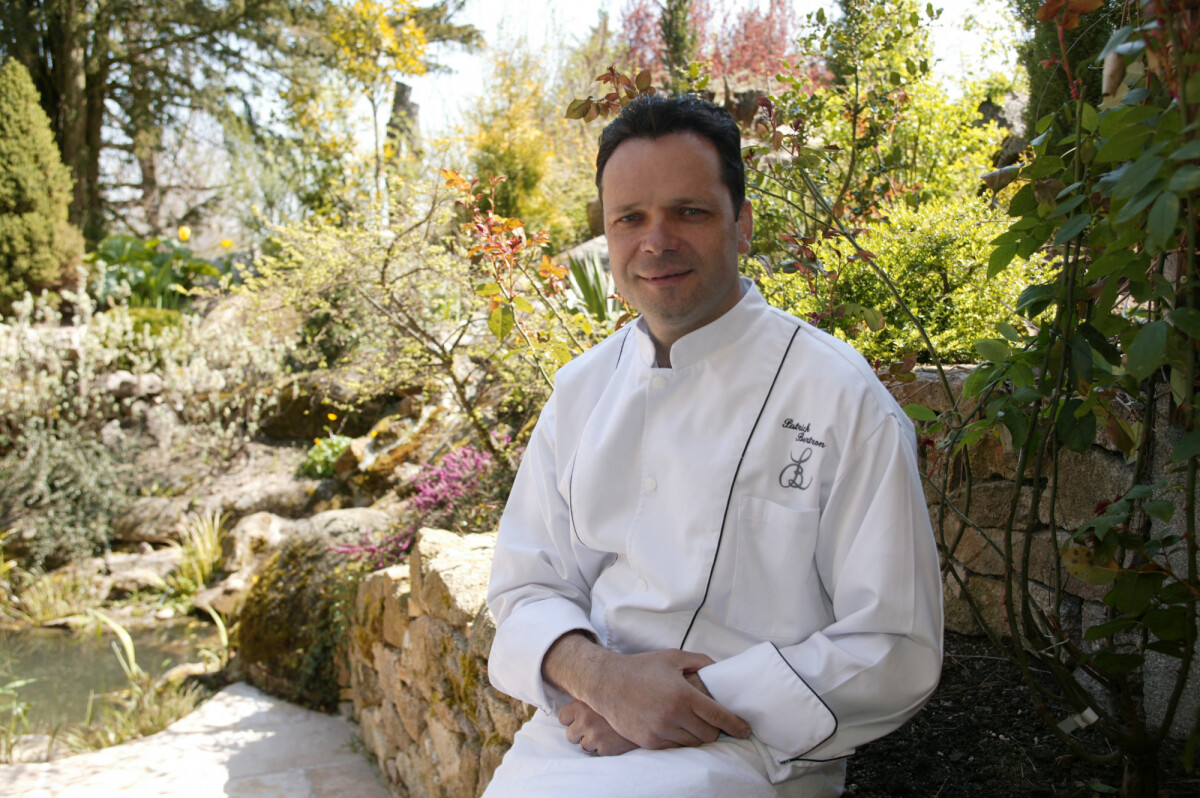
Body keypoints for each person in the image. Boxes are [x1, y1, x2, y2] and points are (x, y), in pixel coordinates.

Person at [483, 93, 943, 798]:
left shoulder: (841, 399)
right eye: (630, 219)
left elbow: (894, 645)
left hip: (749, 752)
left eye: (688, 212)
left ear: (742, 223)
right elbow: (526, 586)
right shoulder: (580, 392)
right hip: (572, 738)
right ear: (608, 239)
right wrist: (602, 680)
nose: (656, 240)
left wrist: (676, 703)